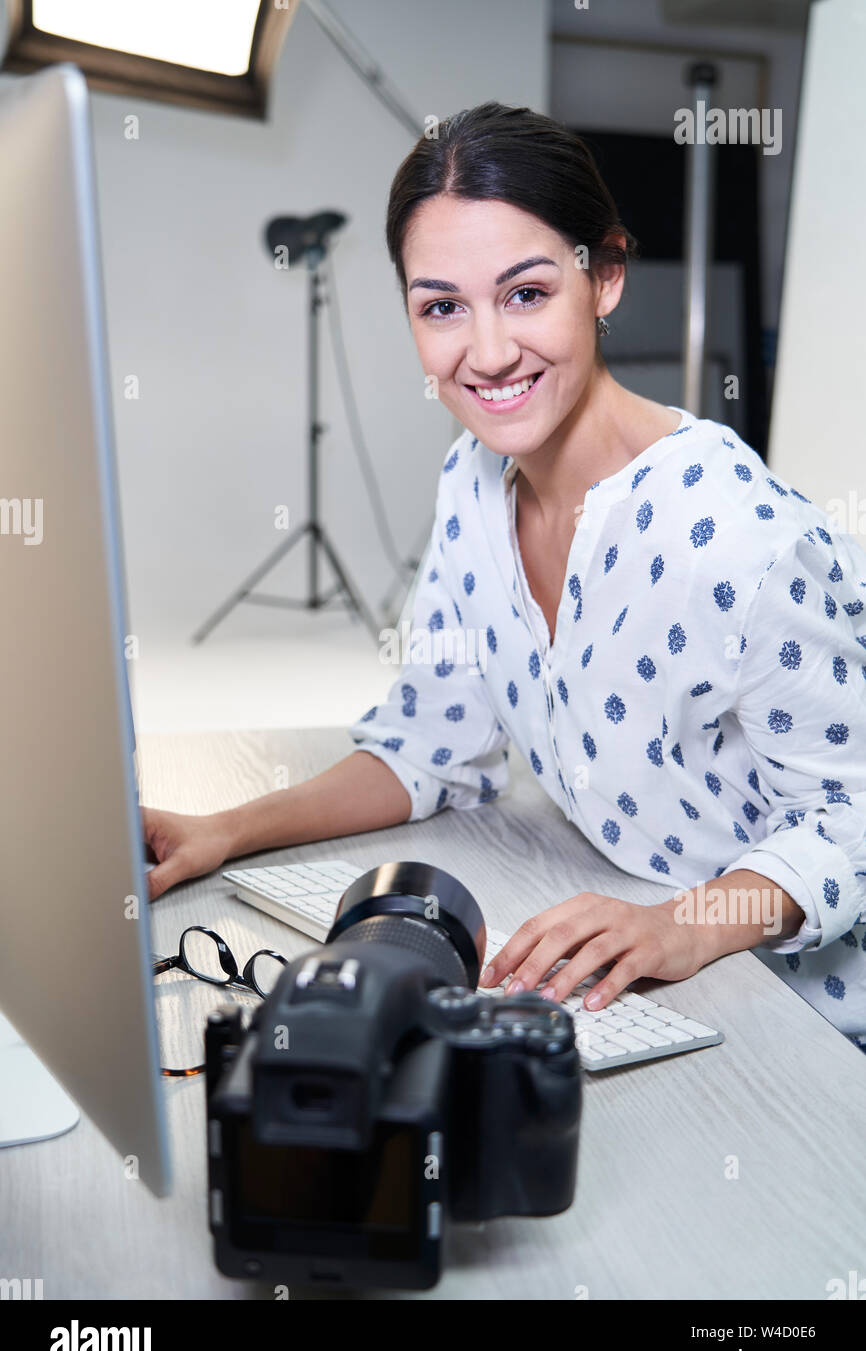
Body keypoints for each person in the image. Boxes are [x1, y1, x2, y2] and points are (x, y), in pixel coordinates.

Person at [143, 102, 866, 1049]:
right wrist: (223, 830)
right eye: (442, 306)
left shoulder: (740, 536)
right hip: (626, 959)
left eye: (526, 293)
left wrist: (679, 928)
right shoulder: (471, 486)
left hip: (795, 1010)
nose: (485, 354)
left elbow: (850, 820)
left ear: (604, 275)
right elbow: (427, 746)